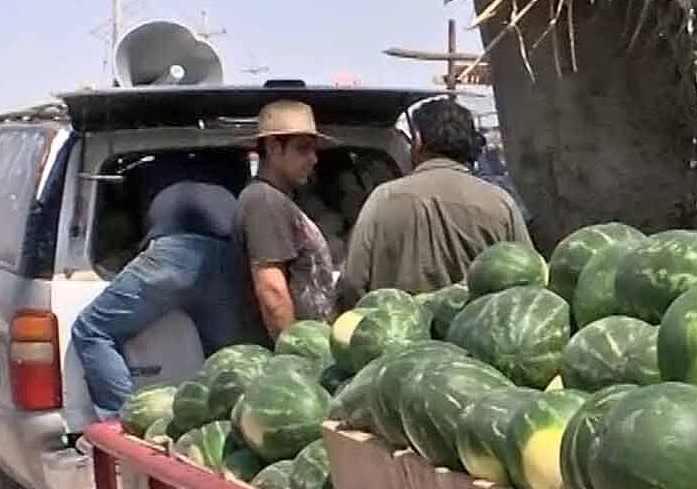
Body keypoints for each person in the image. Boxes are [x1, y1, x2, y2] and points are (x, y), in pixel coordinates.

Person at [69, 161, 249, 417]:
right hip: (228, 256)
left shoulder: (139, 166)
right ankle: (227, 428)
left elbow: (122, 226)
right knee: (226, 357)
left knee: (91, 329)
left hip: (174, 256)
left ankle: (123, 421)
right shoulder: (233, 162)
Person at [337, 97, 531, 306]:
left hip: (398, 333)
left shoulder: (383, 199)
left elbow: (352, 282)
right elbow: (528, 278)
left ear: (418, 140)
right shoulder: (500, 204)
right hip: (475, 336)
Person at [235, 99, 339, 340]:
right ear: (272, 148)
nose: (313, 159)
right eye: (303, 148)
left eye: (314, 149)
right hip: (287, 356)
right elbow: (272, 292)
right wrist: (295, 356)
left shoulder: (278, 200)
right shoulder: (263, 201)